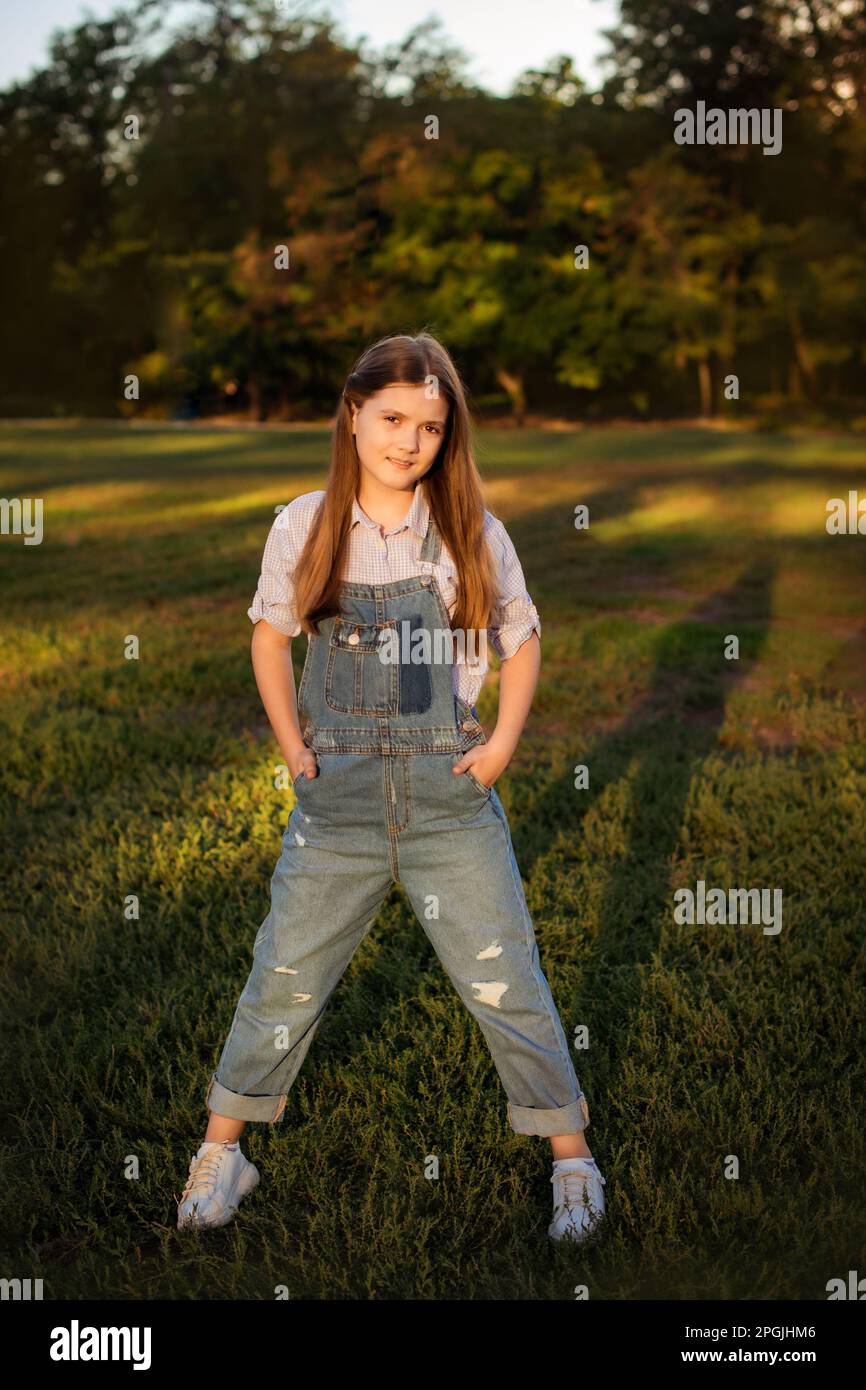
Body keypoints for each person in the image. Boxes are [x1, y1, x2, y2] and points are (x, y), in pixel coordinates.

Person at [177, 331, 606, 1243]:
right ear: (354, 415)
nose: (410, 441)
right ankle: (224, 1149)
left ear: (449, 438)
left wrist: (499, 749)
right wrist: (294, 748)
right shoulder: (304, 524)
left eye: (431, 427)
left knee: (506, 976)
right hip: (337, 806)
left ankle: (571, 1157)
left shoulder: (470, 534)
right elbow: (269, 636)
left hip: (450, 803)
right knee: (283, 974)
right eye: (393, 418)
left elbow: (521, 640)